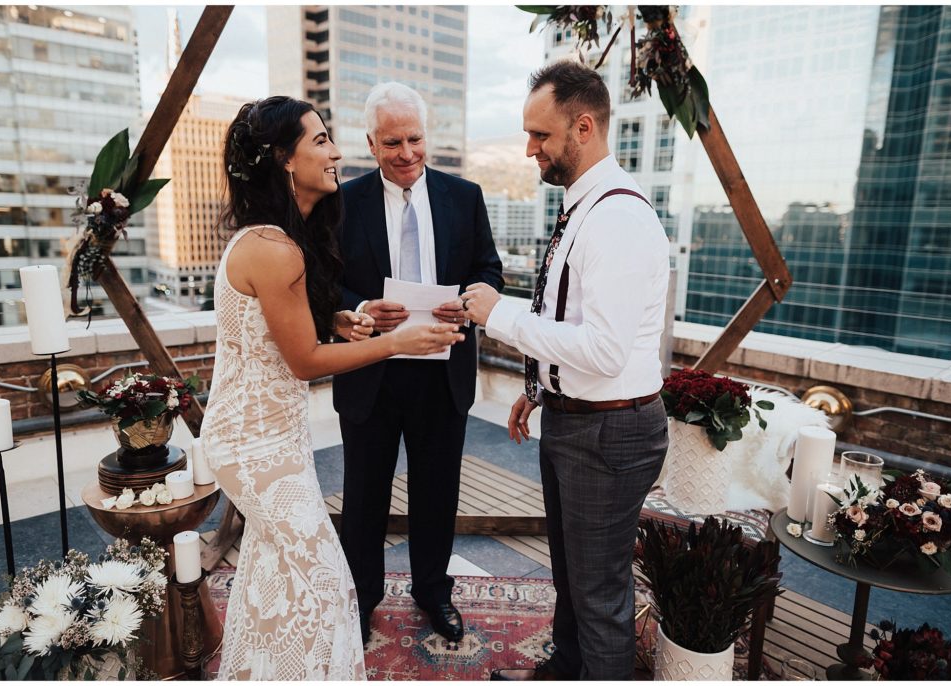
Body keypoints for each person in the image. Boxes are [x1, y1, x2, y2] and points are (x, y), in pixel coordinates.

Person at [201, 96, 465, 680]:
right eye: (320, 141)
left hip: (274, 436)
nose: (335, 153)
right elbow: (304, 361)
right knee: (326, 585)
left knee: (272, 575)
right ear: (283, 159)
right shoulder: (273, 249)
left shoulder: (276, 239)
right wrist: (396, 342)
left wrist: (341, 318)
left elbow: (283, 328)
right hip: (253, 444)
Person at [461, 61, 671, 681]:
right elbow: (566, 316)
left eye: (540, 135)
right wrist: (540, 387)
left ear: (584, 127)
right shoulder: (584, 207)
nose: (529, 150)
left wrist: (498, 315)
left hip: (608, 433)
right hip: (577, 419)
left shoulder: (616, 219)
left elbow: (605, 351)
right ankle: (566, 667)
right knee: (573, 577)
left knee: (600, 595)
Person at [334, 82, 503, 645]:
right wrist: (361, 307)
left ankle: (434, 592)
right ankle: (362, 598)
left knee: (437, 494)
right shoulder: (343, 202)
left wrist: (470, 301)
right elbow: (322, 284)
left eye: (414, 138)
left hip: (442, 372)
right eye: (392, 143)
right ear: (370, 144)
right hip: (371, 372)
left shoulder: (465, 195)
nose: (406, 153)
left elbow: (490, 270)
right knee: (364, 498)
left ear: (427, 136)